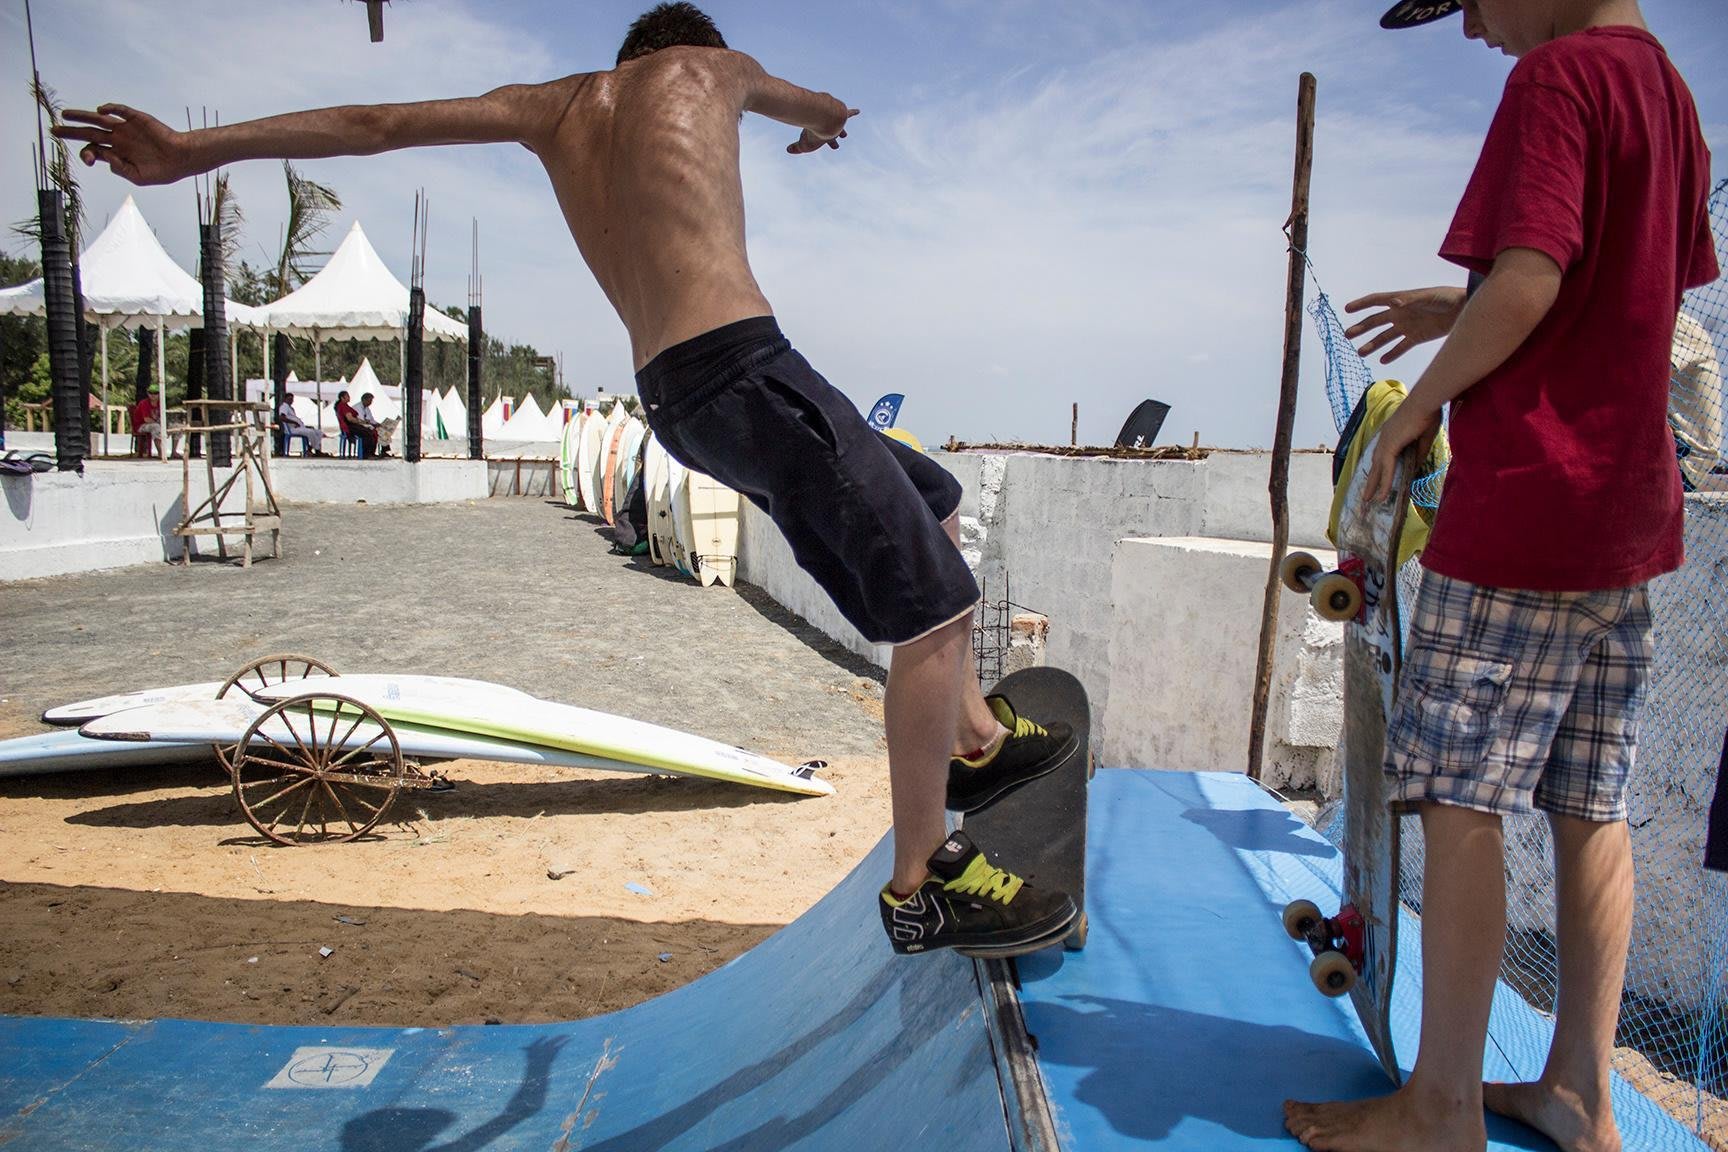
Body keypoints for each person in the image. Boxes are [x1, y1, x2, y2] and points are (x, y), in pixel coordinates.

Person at [56, 3, 1079, 957]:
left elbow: (374, 122)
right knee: (936, 613)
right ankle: (922, 882)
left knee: (931, 499)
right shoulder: (713, 65)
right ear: (693, 50)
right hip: (749, 370)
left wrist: (192, 150)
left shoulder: (548, 107)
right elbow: (816, 106)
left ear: (620, 56)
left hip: (677, 403)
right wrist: (821, 121)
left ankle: (977, 741)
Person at [1284, 2, 1717, 1150]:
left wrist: (1414, 412)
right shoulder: (1670, 93)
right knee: (1591, 804)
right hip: (1625, 518)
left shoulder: (1559, 79)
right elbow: (1624, 293)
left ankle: (1442, 1105)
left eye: (1472, 0)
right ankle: (1581, 1088)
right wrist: (1459, 305)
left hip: (1528, 504)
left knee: (1455, 794)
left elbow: (1531, 281)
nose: (1474, 31)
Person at [277, 391, 326, 456]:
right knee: (310, 432)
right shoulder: (284, 406)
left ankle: (311, 448)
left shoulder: (290, 408)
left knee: (319, 432)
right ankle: (317, 450)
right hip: (292, 429)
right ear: (285, 399)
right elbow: (282, 417)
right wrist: (295, 422)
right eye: (289, 399)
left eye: (292, 399)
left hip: (299, 427)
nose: (291, 401)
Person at [333, 390, 375, 458]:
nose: (349, 397)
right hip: (350, 427)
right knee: (367, 433)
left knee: (369, 431)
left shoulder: (343, 406)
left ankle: (368, 453)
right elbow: (350, 419)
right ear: (342, 398)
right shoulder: (343, 406)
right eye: (347, 396)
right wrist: (360, 422)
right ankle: (365, 454)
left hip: (350, 426)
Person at [358, 391, 394, 457]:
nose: (371, 402)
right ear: (364, 400)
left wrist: (378, 424)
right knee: (377, 432)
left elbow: (371, 419)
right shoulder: (358, 407)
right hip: (362, 426)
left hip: (370, 425)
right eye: (370, 400)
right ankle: (371, 452)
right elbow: (362, 420)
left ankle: (384, 450)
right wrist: (373, 424)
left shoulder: (367, 408)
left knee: (385, 431)